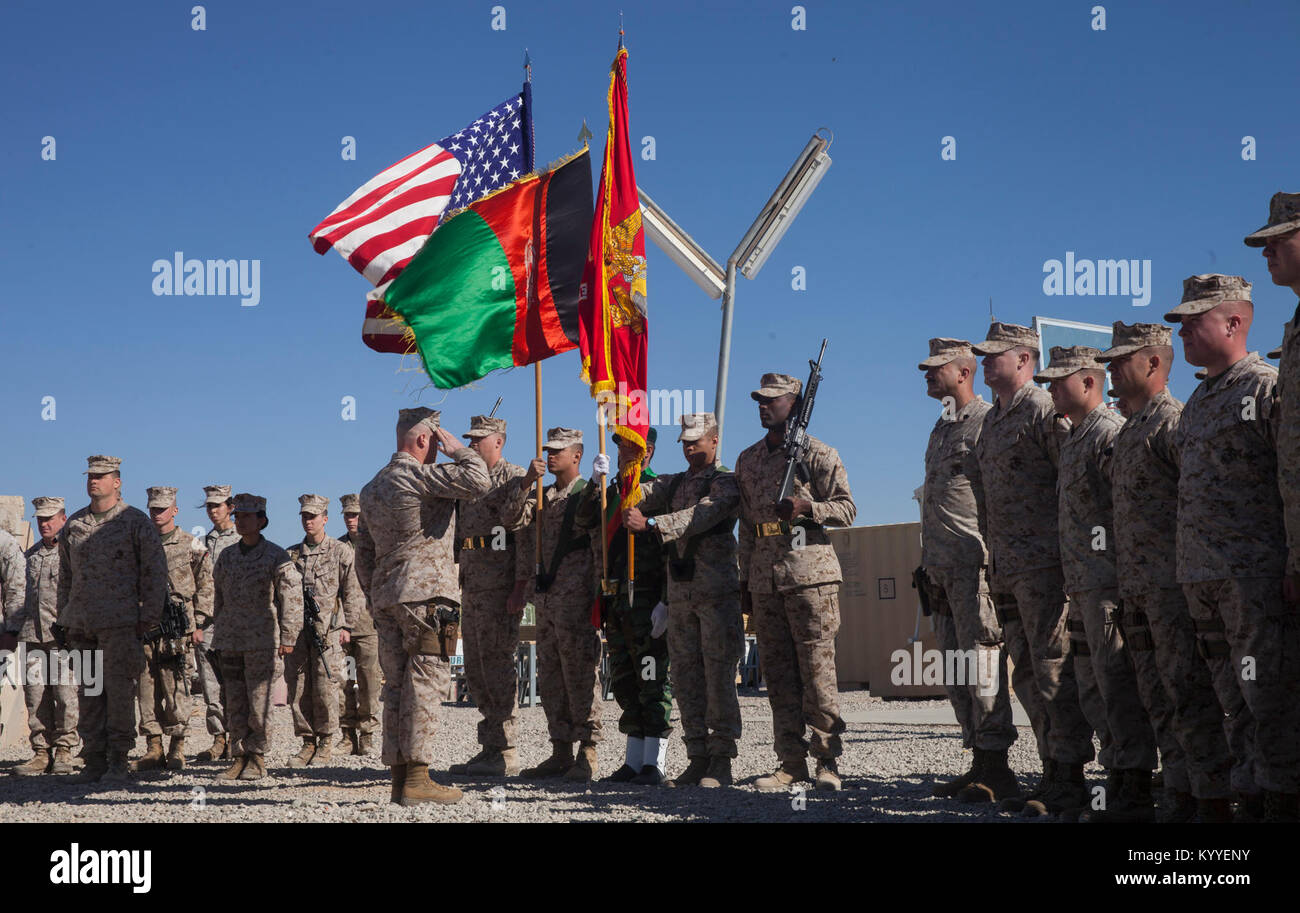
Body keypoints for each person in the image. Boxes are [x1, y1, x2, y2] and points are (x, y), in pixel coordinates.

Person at [1166, 273, 1299, 822]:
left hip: (1255, 575)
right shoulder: (1198, 400)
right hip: (1202, 576)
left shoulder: (1264, 387)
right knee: (1232, 700)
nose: (1183, 334)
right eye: (1178, 326)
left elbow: (1290, 475)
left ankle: (1284, 800)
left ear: (1235, 322)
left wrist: (1293, 560)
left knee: (1269, 696)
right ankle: (1252, 797)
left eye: (1193, 322)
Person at [1100, 321, 1236, 823]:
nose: (1111, 369)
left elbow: (1198, 500)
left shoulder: (1172, 422)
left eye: (1120, 360)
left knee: (1191, 697)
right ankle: (1177, 798)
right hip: (1137, 590)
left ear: (1153, 364)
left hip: (1175, 588)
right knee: (1159, 699)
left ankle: (1211, 802)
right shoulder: (1132, 429)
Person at [970, 324, 1095, 814]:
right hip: (1007, 569)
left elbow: (1071, 483)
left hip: (1045, 566)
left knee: (1053, 670)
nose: (984, 361)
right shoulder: (994, 420)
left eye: (994, 355)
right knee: (1025, 674)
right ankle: (1049, 771)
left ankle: (1070, 775)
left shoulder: (1043, 411)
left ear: (1024, 359)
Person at [1036, 346, 1156, 820]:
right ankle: (1116, 781)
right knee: (1093, 687)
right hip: (1083, 587)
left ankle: (1134, 789)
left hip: (1109, 586)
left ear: (1089, 383)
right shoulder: (1074, 438)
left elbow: (1125, 511)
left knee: (1117, 686)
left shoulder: (1107, 433)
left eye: (1058, 381)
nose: (1050, 390)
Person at [354, 408, 490, 805]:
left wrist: (375, 591)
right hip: (427, 597)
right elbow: (478, 480)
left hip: (387, 598)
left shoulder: (372, 486)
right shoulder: (416, 476)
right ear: (422, 441)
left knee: (396, 686)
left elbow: (363, 553)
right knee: (427, 682)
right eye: (434, 442)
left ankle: (399, 779)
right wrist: (460, 450)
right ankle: (418, 778)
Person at [735, 373, 856, 792]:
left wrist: (808, 507)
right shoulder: (747, 460)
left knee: (817, 674)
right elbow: (747, 526)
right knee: (779, 677)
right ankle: (790, 763)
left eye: (773, 399)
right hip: (765, 580)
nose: (763, 405)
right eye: (759, 399)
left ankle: (827, 762)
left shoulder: (818, 453)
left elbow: (847, 510)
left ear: (796, 403)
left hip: (810, 578)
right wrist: (745, 580)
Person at [915, 339, 1017, 803]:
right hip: (940, 571)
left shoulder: (985, 422)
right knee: (957, 673)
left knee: (983, 665)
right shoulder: (941, 428)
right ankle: (978, 758)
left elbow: (997, 497)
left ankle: (997, 765)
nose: (927, 375)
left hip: (974, 569)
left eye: (936, 368)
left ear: (963, 371)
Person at [627, 413, 743, 788]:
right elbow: (640, 494)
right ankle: (697, 756)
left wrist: (655, 525)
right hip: (680, 594)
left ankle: (721, 759)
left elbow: (700, 516)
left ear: (714, 439)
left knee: (718, 676)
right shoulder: (675, 482)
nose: (690, 447)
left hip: (715, 593)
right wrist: (624, 472)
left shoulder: (725, 481)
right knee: (687, 677)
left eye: (696, 440)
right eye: (685, 442)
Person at [55, 455, 167, 782]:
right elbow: (65, 576)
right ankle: (93, 761)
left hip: (121, 625)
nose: (94, 481)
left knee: (118, 692)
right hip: (82, 625)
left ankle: (118, 760)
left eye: (102, 476)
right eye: (90, 475)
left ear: (117, 481)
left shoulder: (134, 522)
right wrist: (64, 617)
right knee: (90, 692)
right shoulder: (74, 525)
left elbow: (154, 572)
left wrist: (149, 616)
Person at [502, 427, 604, 782]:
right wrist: (528, 481)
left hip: (576, 597)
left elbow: (599, 543)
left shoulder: (588, 493)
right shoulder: (542, 496)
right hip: (545, 597)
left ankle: (587, 750)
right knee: (551, 674)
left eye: (558, 450)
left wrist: (601, 592)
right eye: (548, 449)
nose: (551, 455)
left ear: (577, 455)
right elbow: (512, 519)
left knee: (579, 672)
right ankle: (560, 749)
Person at [578, 426, 671, 785]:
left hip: (646, 598)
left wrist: (666, 599)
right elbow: (583, 520)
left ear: (647, 451)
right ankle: (633, 762)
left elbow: (669, 546)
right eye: (620, 448)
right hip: (615, 599)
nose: (624, 454)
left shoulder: (658, 488)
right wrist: (593, 481)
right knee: (626, 680)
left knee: (652, 678)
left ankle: (655, 763)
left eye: (632, 448)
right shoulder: (609, 489)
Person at [448, 416, 529, 777]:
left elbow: (524, 538)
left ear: (498, 441)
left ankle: (506, 749)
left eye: (477, 440)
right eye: (469, 440)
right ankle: (490, 745)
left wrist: (520, 586)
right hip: (473, 585)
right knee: (477, 669)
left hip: (501, 587)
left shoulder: (515, 477)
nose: (472, 445)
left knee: (498, 665)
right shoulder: (469, 480)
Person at [211, 493, 303, 781]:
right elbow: (218, 599)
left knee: (259, 702)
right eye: (237, 516)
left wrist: (288, 637)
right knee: (234, 701)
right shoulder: (227, 556)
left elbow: (292, 598)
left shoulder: (277, 556)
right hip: (231, 641)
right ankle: (238, 756)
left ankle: (258, 757)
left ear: (262, 520)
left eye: (248, 516)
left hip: (262, 642)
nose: (240, 521)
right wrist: (218, 634)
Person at [134, 486, 213, 772]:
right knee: (146, 685)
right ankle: (153, 747)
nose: (157, 514)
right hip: (146, 624)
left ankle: (177, 746)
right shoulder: (141, 544)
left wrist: (200, 621)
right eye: (153, 508)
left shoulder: (191, 543)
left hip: (178, 625)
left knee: (176, 685)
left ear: (174, 511)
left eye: (163, 509)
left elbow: (206, 584)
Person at [286, 494, 364, 768]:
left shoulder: (340, 552)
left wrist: (348, 627)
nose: (308, 521)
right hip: (297, 633)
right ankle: (307, 741)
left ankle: (327, 741)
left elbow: (352, 592)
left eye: (313, 516)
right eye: (304, 516)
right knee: (299, 687)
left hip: (327, 632)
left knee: (326, 687)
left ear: (325, 519)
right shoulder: (291, 555)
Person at [6, 497, 78, 776]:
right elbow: (18, 595)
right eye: (40, 519)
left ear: (63, 518)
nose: (44, 524)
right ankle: (40, 752)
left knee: (66, 695)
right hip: (32, 635)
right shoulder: (31, 555)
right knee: (35, 696)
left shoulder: (72, 553)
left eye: (50, 518)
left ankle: (64, 749)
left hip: (63, 637)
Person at [335, 493, 380, 756]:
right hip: (341, 626)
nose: (352, 520)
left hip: (369, 625)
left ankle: (368, 734)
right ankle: (347, 734)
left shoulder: (375, 545)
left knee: (368, 682)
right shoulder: (336, 549)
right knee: (343, 682)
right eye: (348, 515)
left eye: (356, 515)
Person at [195, 484, 237, 763]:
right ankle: (219, 738)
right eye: (209, 506)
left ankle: (237, 738)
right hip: (206, 623)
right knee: (210, 684)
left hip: (233, 621)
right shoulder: (201, 542)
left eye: (217, 506)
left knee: (234, 682)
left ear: (230, 508)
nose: (212, 511)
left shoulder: (239, 539)